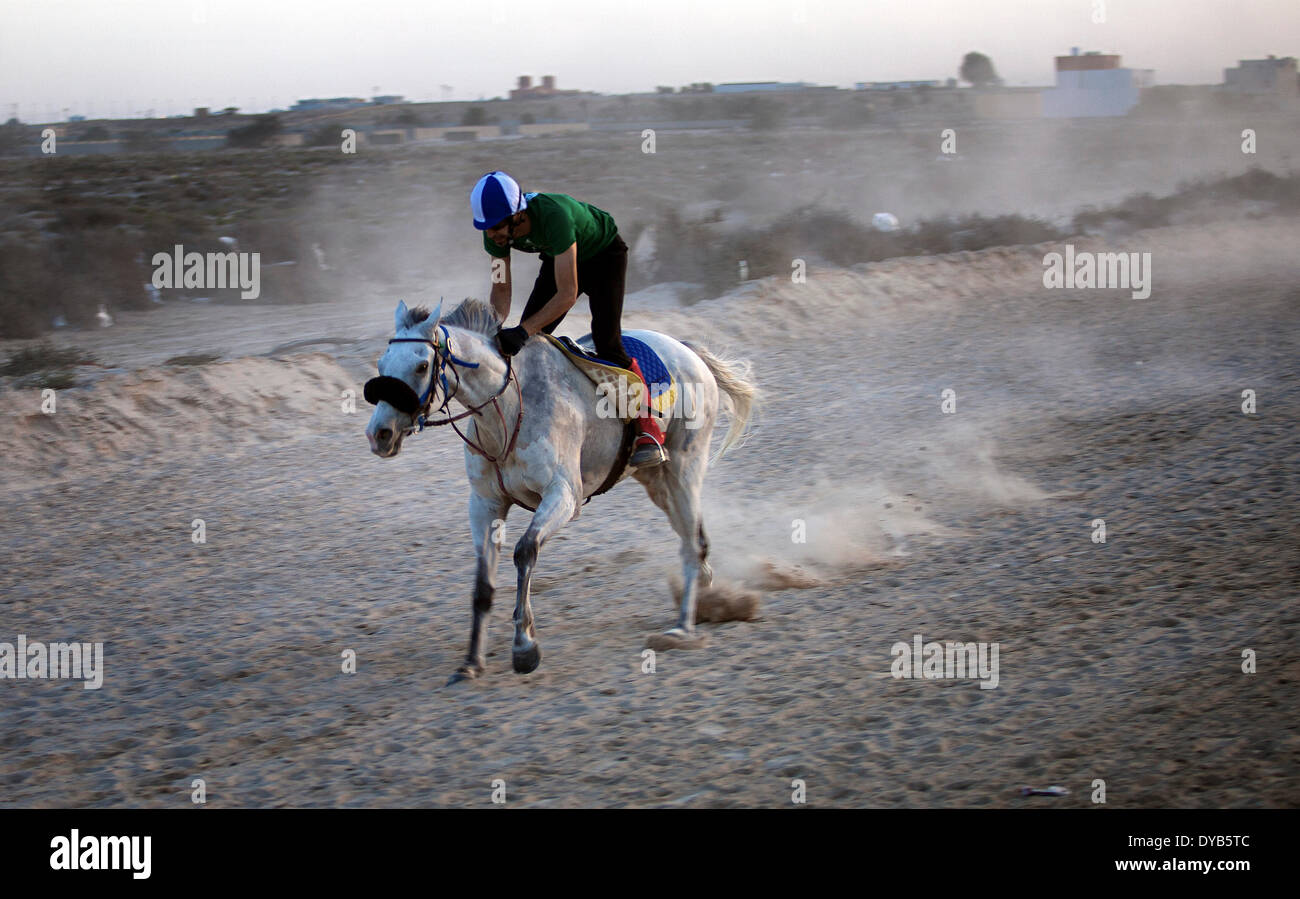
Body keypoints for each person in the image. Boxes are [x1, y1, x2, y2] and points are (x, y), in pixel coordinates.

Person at [470, 170, 668, 467]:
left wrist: (522, 331)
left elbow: (567, 294)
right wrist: (492, 328)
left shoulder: (555, 217)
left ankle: (649, 430)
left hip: (604, 256)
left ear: (518, 216)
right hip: (559, 257)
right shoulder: (495, 235)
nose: (492, 235)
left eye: (496, 227)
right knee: (529, 343)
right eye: (484, 228)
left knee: (606, 342)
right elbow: (501, 288)